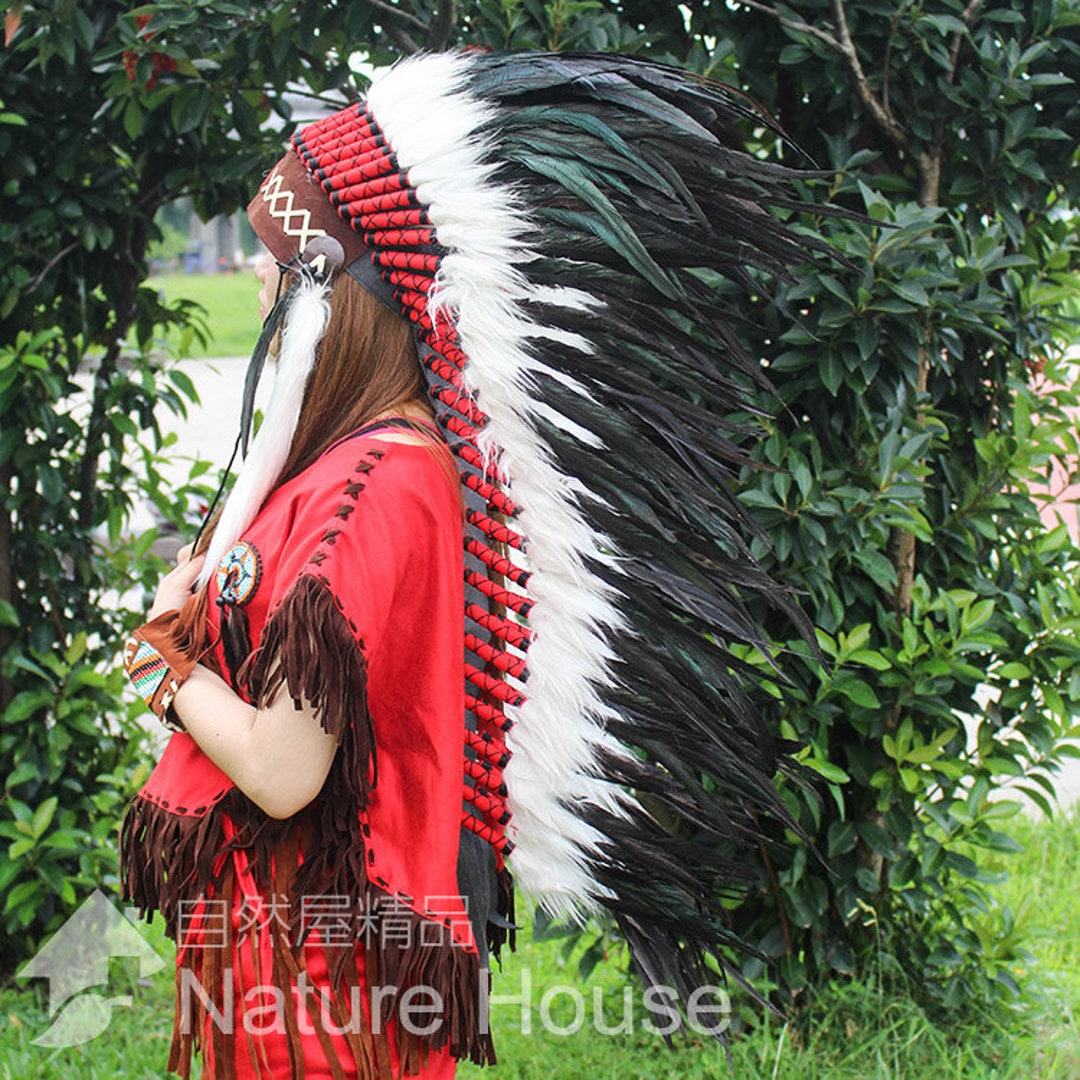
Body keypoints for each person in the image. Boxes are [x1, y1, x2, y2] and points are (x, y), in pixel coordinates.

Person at [121, 50, 831, 1079]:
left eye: (281, 281)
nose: (267, 305)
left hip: (324, 1002)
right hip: (293, 970)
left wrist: (165, 670)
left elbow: (282, 771)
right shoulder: (355, 467)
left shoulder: (376, 483)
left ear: (335, 305)